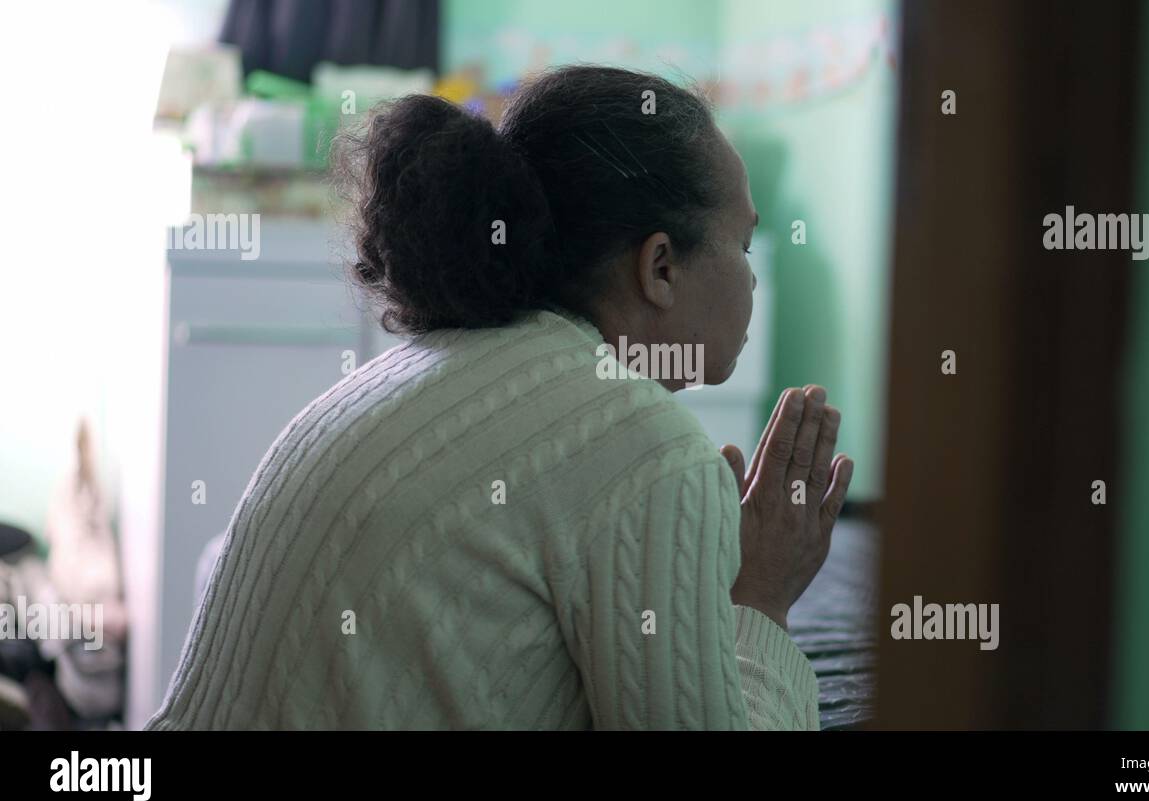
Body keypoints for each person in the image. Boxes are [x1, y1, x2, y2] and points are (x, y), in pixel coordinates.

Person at [146, 65, 853, 730]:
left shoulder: (409, 373)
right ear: (660, 266)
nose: (753, 281)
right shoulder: (648, 446)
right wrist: (758, 599)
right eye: (745, 244)